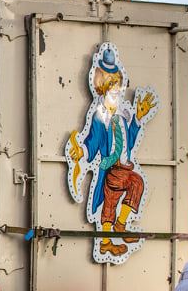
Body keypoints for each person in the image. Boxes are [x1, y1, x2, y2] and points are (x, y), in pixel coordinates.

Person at [66, 45, 155, 258]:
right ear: (103, 87)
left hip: (123, 164)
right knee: (131, 185)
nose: (117, 89)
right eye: (112, 85)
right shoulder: (99, 116)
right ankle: (117, 229)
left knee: (113, 199)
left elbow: (130, 143)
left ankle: (110, 236)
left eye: (119, 85)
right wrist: (82, 153)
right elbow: (93, 141)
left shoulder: (124, 114)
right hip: (110, 166)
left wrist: (139, 118)